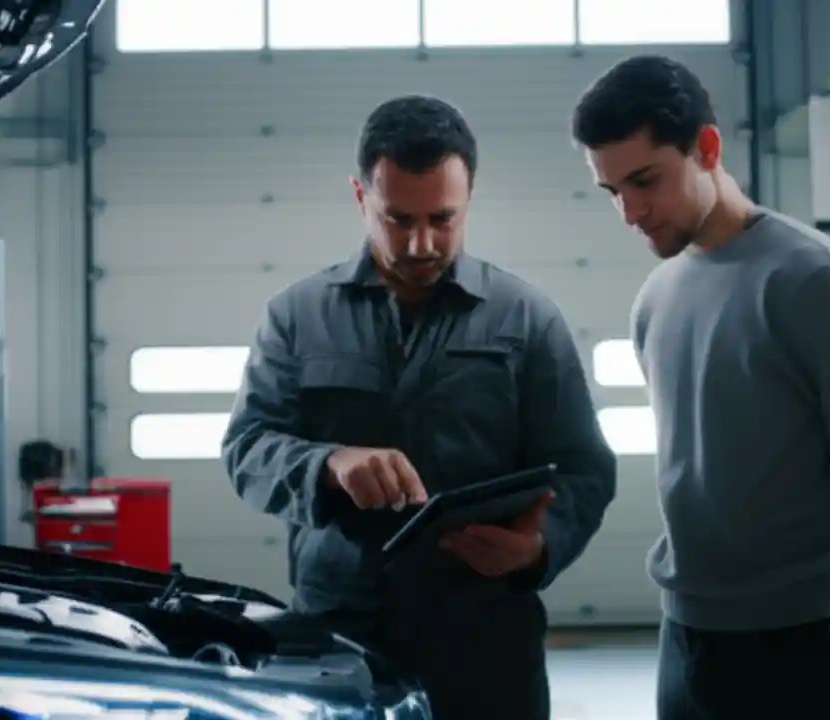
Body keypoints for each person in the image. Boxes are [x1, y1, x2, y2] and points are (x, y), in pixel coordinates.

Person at [221, 93, 617, 720]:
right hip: (338, 635)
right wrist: (329, 464)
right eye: (398, 220)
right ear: (360, 198)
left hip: (486, 637)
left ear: (471, 196)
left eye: (443, 218)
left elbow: (585, 467)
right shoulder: (295, 316)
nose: (420, 244)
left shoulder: (528, 319)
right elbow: (246, 449)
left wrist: (538, 547)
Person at [569, 54, 830, 719]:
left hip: (809, 642)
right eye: (612, 190)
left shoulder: (818, 281)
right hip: (689, 640)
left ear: (707, 147)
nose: (629, 212)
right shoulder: (656, 299)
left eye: (645, 180)